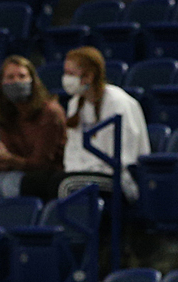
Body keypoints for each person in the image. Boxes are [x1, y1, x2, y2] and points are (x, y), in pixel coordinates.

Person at [57, 47, 149, 203]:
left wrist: (85, 170)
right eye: (66, 73)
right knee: (40, 182)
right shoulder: (75, 104)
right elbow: (72, 151)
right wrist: (76, 170)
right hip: (82, 173)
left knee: (66, 185)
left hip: (118, 178)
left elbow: (124, 157)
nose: (66, 78)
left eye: (71, 74)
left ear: (89, 76)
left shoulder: (119, 103)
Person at [0, 55, 66, 201]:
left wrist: (9, 159)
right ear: (2, 84)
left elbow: (41, 163)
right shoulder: (5, 114)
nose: (16, 81)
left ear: (33, 81)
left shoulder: (50, 112)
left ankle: (18, 221)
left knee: (9, 184)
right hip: (25, 170)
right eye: (10, 77)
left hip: (51, 173)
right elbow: (14, 157)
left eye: (22, 76)